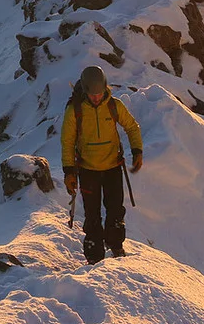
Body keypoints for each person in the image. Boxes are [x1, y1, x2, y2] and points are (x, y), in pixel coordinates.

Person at [61, 65, 143, 263]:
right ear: (85, 91)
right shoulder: (75, 111)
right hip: (88, 170)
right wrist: (69, 172)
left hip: (113, 167)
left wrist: (137, 150)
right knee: (92, 214)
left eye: (99, 94)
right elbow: (67, 142)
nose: (96, 98)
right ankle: (94, 256)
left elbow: (132, 127)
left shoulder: (114, 106)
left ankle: (116, 246)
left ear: (105, 88)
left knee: (115, 210)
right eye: (92, 94)